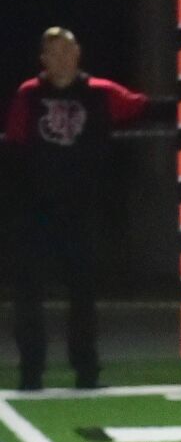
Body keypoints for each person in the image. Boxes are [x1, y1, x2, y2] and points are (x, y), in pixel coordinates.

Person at [2, 27, 150, 390]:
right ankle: (31, 371)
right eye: (53, 52)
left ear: (78, 53)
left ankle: (86, 369)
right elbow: (15, 147)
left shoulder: (100, 93)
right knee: (28, 295)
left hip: (80, 209)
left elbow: (145, 107)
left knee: (83, 294)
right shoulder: (29, 94)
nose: (62, 58)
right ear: (43, 59)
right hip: (35, 211)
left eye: (67, 50)